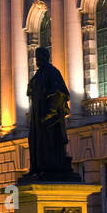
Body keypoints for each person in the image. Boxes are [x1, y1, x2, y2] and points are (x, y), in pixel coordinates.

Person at [25, 47, 77, 180]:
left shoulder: (52, 72)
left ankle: (48, 167)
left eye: (39, 57)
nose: (37, 60)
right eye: (36, 57)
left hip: (49, 118)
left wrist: (49, 114)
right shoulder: (39, 74)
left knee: (49, 141)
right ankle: (36, 167)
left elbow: (59, 94)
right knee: (35, 140)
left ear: (44, 57)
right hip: (37, 115)